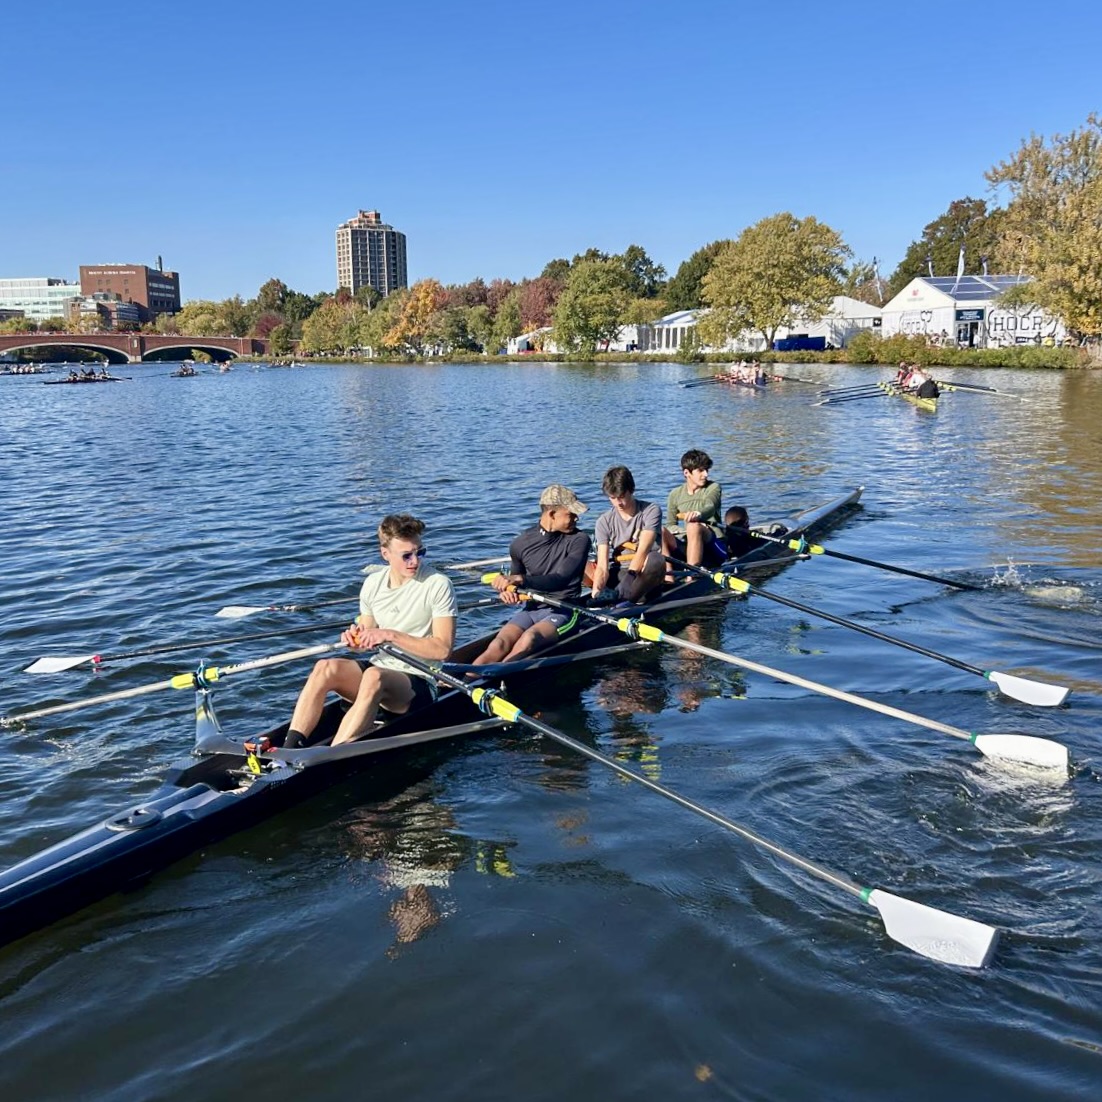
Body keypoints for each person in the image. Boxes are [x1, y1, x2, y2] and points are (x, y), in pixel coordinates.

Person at [284, 514, 457, 748]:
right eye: (406, 555)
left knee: (374, 676)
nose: (415, 561)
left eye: (420, 552)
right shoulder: (372, 584)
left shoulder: (438, 584)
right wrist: (355, 640)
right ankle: (290, 749)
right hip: (380, 671)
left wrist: (389, 634)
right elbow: (365, 638)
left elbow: (442, 649)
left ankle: (330, 757)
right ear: (385, 554)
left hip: (419, 681)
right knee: (325, 667)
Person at [471, 485, 591, 666]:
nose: (576, 518)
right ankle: (461, 682)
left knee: (529, 638)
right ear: (551, 514)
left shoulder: (579, 540)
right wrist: (508, 592)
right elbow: (516, 583)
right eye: (571, 514)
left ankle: (493, 678)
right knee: (498, 644)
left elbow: (561, 579)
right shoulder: (520, 544)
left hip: (566, 609)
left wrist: (519, 580)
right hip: (532, 609)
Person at [588, 465, 665, 604]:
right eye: (613, 498)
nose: (618, 503)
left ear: (632, 490)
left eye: (622, 497)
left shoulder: (651, 511)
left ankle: (623, 601)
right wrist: (596, 591)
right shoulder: (603, 521)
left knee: (656, 559)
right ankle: (605, 599)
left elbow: (643, 550)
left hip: (643, 575)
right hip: (619, 572)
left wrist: (630, 578)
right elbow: (602, 566)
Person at [661, 449, 723, 570]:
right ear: (686, 473)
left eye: (706, 470)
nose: (705, 474)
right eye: (700, 470)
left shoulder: (713, 487)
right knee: (661, 530)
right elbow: (670, 525)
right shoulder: (675, 494)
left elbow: (710, 506)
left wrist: (698, 515)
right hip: (689, 541)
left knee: (694, 526)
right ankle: (669, 576)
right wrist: (682, 531)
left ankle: (691, 577)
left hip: (715, 545)